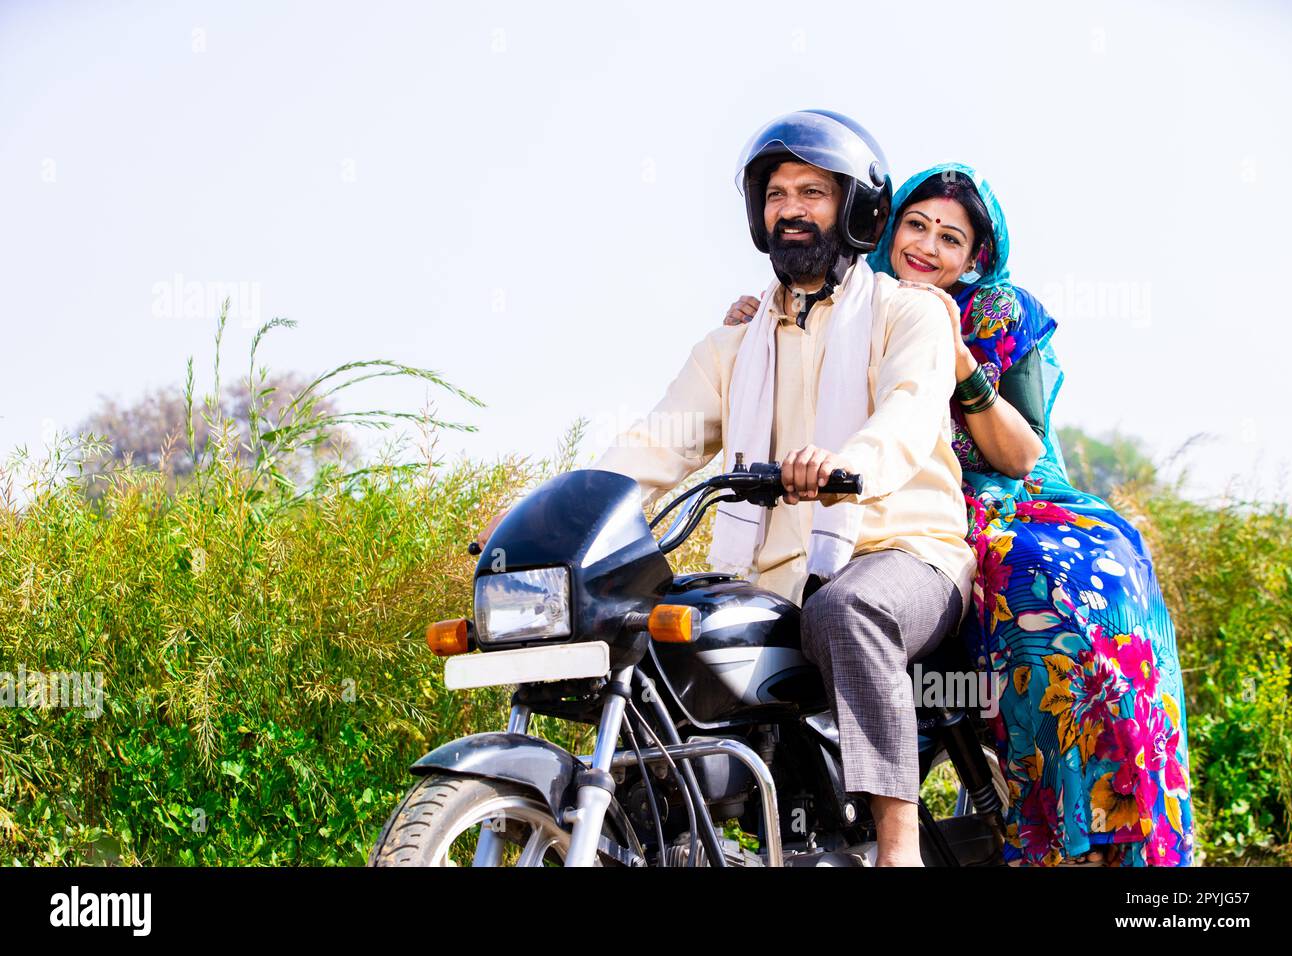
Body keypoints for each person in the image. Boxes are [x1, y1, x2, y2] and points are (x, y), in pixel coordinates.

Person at [478, 111, 975, 866]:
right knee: (655, 635)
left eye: (813, 191)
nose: (792, 209)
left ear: (857, 209)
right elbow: (655, 440)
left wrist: (850, 464)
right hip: (775, 577)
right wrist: (552, 518)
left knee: (850, 610)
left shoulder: (911, 315)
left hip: (902, 551)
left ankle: (898, 847)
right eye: (777, 195)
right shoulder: (732, 350)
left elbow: (908, 412)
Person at [724, 162, 1194, 866]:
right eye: (916, 225)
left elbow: (1019, 454)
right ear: (884, 228)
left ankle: (1086, 815)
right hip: (870, 499)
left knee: (1052, 574)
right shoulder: (848, 300)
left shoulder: (995, 315)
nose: (927, 246)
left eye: (950, 237)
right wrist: (757, 329)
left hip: (994, 497)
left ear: (976, 257)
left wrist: (963, 363)